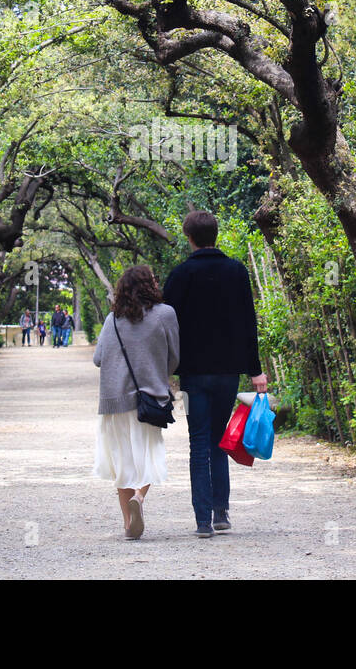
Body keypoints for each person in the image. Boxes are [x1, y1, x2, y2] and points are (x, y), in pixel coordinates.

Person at [162, 210, 266, 538]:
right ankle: (221, 512)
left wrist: (166, 369)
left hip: (192, 375)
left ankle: (202, 521)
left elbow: (167, 325)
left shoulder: (179, 276)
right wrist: (255, 371)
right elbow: (249, 323)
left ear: (188, 237)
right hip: (227, 372)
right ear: (216, 235)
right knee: (220, 440)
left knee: (198, 443)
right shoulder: (237, 271)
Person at [92, 266, 179, 540]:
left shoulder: (112, 319)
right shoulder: (166, 314)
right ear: (149, 286)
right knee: (149, 456)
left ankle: (129, 526)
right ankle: (140, 498)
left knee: (122, 461)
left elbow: (98, 359)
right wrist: (156, 370)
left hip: (114, 399)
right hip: (149, 398)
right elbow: (174, 357)